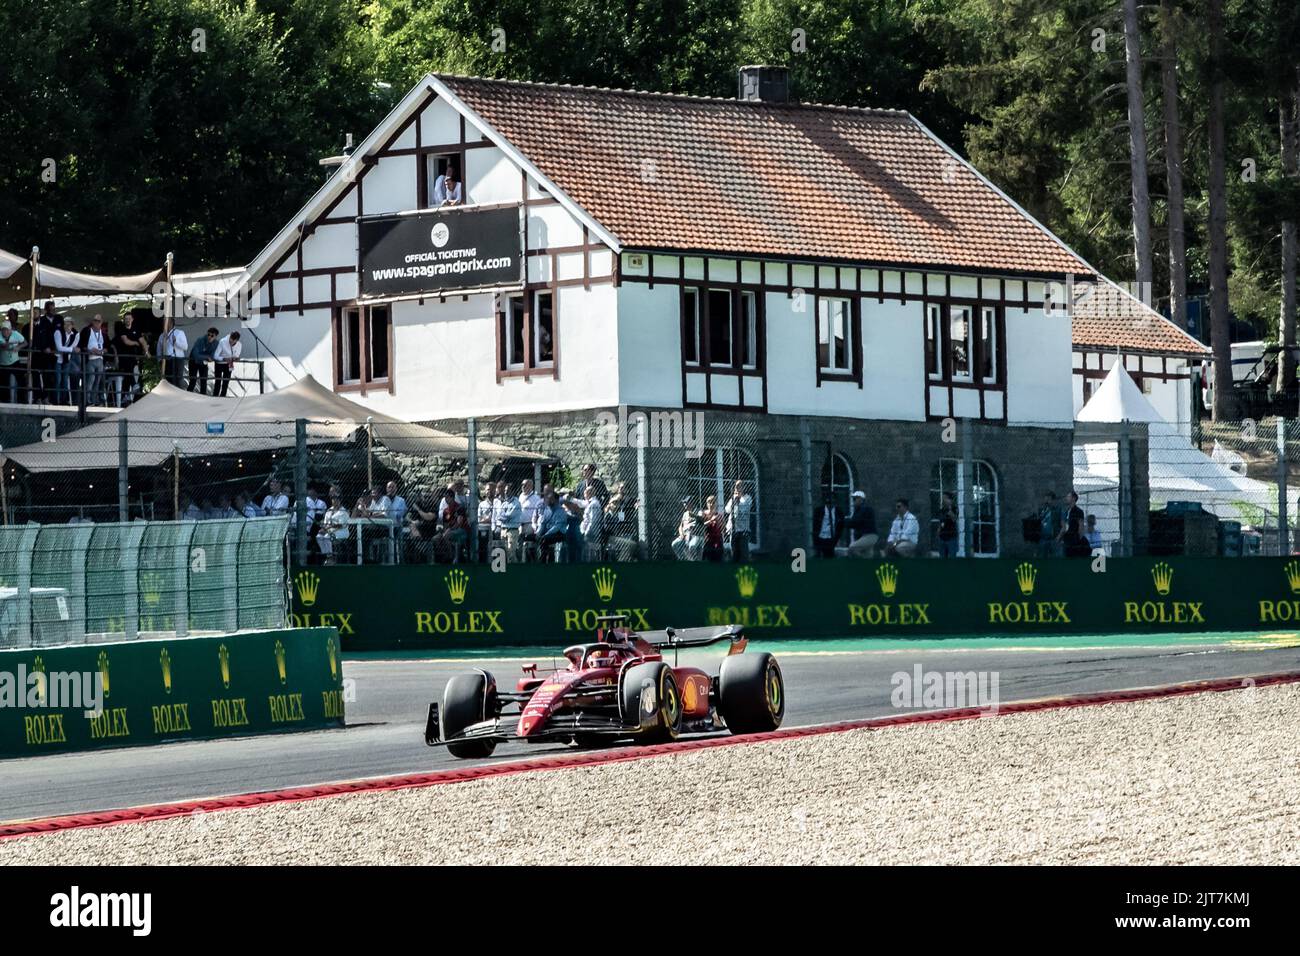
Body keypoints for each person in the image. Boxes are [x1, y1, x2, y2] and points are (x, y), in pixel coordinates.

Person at [111, 312, 147, 406]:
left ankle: (126, 396)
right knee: (129, 367)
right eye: (126, 318)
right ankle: (134, 385)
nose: (127, 320)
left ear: (132, 319)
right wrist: (135, 343)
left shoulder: (135, 330)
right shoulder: (121, 329)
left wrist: (147, 352)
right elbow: (126, 341)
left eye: (129, 318)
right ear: (124, 320)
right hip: (123, 357)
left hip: (132, 358)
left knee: (132, 372)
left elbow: (143, 341)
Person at [30, 301, 59, 402]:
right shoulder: (27, 327)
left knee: (47, 377)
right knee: (36, 377)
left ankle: (46, 397)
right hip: (34, 355)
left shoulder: (45, 324)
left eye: (36, 313)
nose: (35, 315)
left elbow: (49, 337)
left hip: (45, 355)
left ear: (40, 313)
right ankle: (37, 397)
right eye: (33, 313)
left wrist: (49, 348)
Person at [78, 315, 107, 406]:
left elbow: (107, 346)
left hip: (100, 359)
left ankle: (94, 400)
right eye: (95, 321)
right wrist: (90, 350)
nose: (97, 323)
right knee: (90, 379)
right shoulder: (87, 331)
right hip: (90, 359)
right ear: (92, 321)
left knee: (97, 381)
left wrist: (102, 351)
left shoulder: (103, 333)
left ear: (101, 322)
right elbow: (81, 345)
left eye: (99, 321)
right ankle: (87, 400)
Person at [317, 494, 351, 565]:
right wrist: (323, 528)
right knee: (319, 536)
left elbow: (340, 525)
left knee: (327, 537)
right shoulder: (329, 510)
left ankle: (331, 558)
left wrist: (328, 528)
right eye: (333, 499)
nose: (335, 501)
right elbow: (326, 523)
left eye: (337, 499)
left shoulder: (343, 512)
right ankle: (328, 556)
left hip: (341, 531)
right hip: (330, 531)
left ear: (340, 500)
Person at [725, 480, 753, 562]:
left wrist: (738, 501)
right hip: (733, 530)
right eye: (736, 486)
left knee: (744, 553)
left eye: (739, 486)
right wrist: (734, 501)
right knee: (734, 553)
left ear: (743, 487)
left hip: (743, 530)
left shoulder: (747, 498)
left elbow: (745, 508)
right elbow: (727, 510)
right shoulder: (732, 498)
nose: (737, 488)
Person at [845, 490, 878, 558]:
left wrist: (842, 522)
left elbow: (855, 522)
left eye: (855, 498)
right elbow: (854, 522)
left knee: (852, 548)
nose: (853, 501)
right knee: (867, 556)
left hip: (869, 536)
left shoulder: (865, 509)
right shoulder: (858, 510)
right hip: (866, 537)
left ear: (861, 499)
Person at [0, 317, 26, 404]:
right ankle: (4, 402)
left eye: (7, 330)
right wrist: (11, 344)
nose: (5, 332)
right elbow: (3, 346)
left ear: (11, 330)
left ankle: (22, 400)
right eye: (3, 330)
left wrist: (19, 346)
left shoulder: (16, 334)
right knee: (3, 384)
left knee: (21, 380)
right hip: (3, 363)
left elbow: (25, 342)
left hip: (15, 361)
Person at [54, 316, 79, 405]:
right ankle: (56, 400)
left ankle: (63, 400)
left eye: (70, 323)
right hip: (58, 359)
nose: (67, 325)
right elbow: (59, 348)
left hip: (66, 359)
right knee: (58, 380)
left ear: (72, 325)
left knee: (64, 381)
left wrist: (70, 349)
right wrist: (71, 349)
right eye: (66, 323)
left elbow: (74, 346)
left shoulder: (75, 334)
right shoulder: (58, 332)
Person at [812, 490, 843, 558]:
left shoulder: (839, 512)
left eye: (832, 502)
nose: (830, 505)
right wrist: (815, 539)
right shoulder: (818, 511)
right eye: (828, 503)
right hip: (820, 537)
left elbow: (840, 527)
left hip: (832, 538)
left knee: (829, 557)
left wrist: (837, 539)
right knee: (819, 557)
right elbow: (815, 525)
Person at [188, 328, 219, 394]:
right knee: (193, 381)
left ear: (215, 336)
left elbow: (213, 355)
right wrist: (207, 357)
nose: (209, 337)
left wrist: (207, 357)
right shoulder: (200, 340)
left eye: (212, 335)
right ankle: (187, 396)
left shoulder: (216, 343)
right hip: (193, 361)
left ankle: (203, 399)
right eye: (208, 334)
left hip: (203, 362)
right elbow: (195, 355)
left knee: (204, 381)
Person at [1060, 490, 1089, 558]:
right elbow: (1064, 526)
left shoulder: (1078, 511)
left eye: (1068, 496)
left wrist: (1079, 539)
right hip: (1067, 540)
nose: (1067, 498)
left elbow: (1080, 526)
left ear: (1073, 498)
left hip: (1074, 540)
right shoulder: (1066, 511)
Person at [213, 331, 241, 397]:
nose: (232, 342)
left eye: (234, 341)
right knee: (218, 382)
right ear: (230, 337)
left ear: (237, 340)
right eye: (231, 340)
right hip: (219, 364)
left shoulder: (239, 345)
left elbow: (236, 355)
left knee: (226, 382)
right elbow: (215, 356)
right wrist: (224, 359)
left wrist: (236, 358)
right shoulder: (222, 341)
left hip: (229, 364)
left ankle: (223, 397)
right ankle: (215, 397)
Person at [699, 495, 725, 562]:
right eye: (709, 502)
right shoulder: (703, 513)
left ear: (716, 504)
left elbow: (723, 528)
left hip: (717, 540)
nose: (711, 504)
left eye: (713, 502)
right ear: (706, 504)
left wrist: (719, 521)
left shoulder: (718, 515)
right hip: (707, 539)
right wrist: (711, 520)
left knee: (718, 557)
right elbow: (702, 524)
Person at [1038, 491, 1062, 558]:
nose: (1046, 502)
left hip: (1053, 539)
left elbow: (1063, 526)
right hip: (1043, 539)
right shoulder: (1042, 510)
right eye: (1045, 499)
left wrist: (1058, 537)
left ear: (1053, 500)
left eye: (1048, 500)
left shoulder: (1058, 510)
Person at [936, 492, 959, 558]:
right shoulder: (942, 510)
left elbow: (954, 519)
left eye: (945, 498)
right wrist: (938, 531)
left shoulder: (955, 509)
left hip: (951, 538)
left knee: (952, 557)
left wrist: (950, 508)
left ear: (950, 500)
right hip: (942, 537)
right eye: (943, 498)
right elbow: (941, 522)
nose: (943, 500)